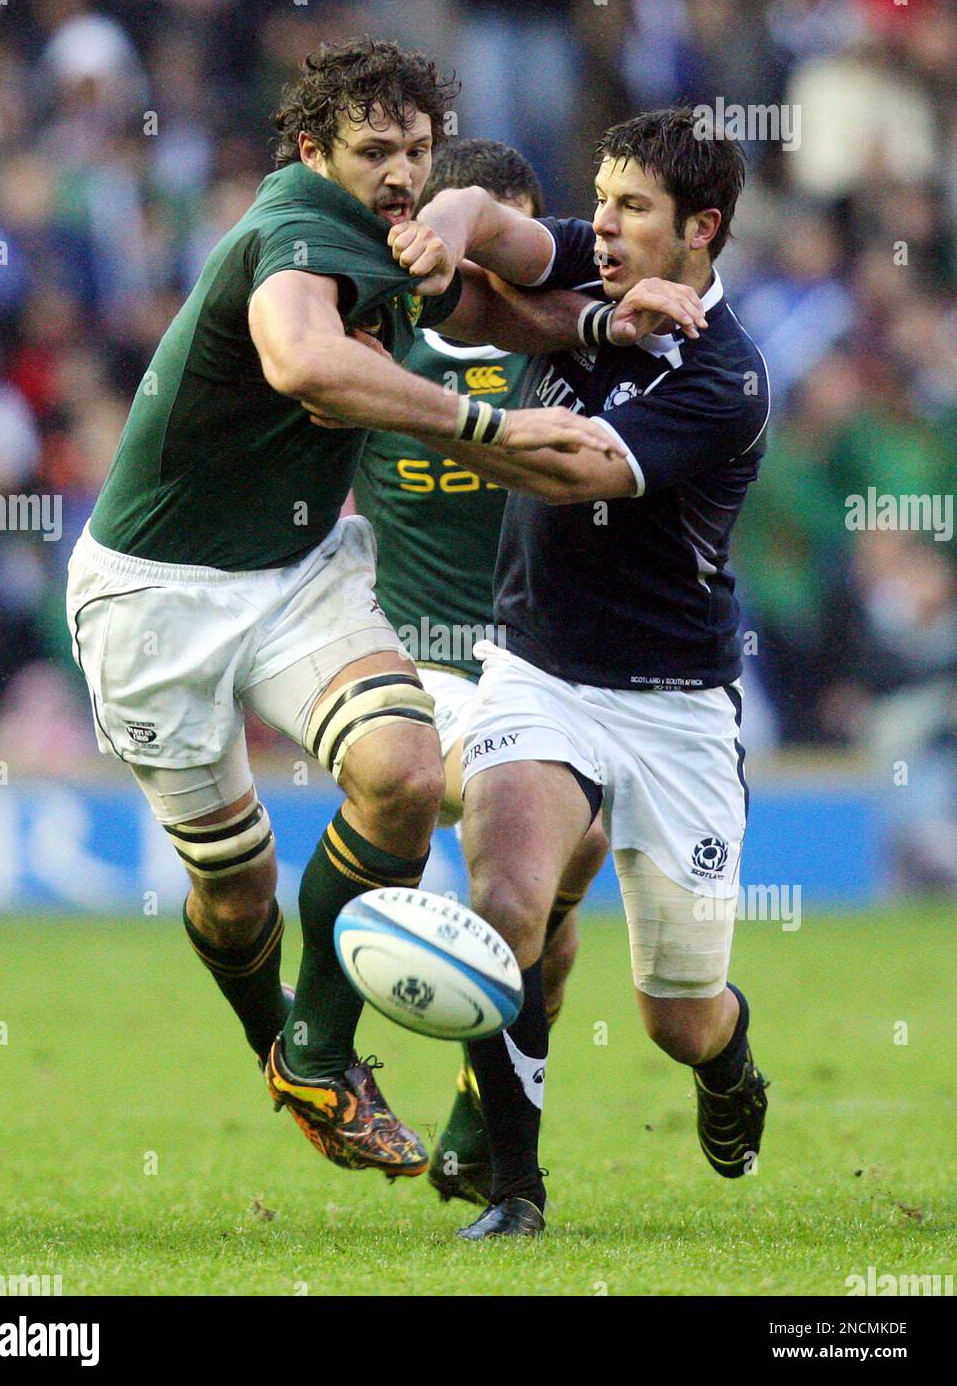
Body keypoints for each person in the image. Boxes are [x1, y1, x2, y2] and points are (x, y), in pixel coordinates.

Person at [65, 39, 625, 1184]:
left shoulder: (389, 234)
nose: (400, 173)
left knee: (407, 775)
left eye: (416, 150)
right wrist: (482, 429)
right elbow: (304, 360)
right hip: (154, 597)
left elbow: (494, 309)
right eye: (374, 150)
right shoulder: (294, 229)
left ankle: (317, 1050)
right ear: (313, 151)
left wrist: (612, 326)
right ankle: (278, 1033)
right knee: (235, 891)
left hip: (300, 568)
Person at [402, 106, 772, 1235]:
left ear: (700, 231)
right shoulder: (592, 259)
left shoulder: (730, 381)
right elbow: (481, 235)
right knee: (505, 905)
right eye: (598, 199)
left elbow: (571, 470)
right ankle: (515, 1188)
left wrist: (418, 407)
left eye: (630, 209)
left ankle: (729, 1063)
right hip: (539, 669)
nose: (598, 226)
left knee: (675, 1012)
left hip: (673, 707)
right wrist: (446, 228)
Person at [355, 138, 608, 1207]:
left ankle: (478, 1109)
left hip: (542, 657)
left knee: (556, 900)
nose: (492, 271)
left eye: (515, 244)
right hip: (423, 660)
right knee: (506, 813)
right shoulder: (379, 349)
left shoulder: (562, 356)